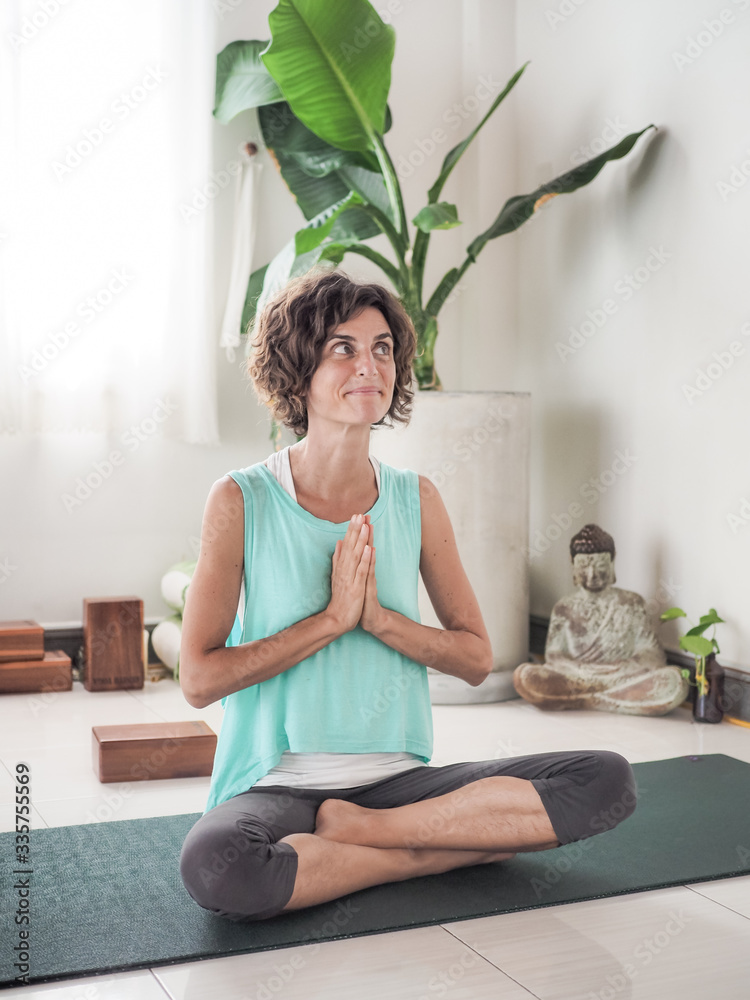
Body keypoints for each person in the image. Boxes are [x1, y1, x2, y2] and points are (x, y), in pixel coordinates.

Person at [178, 269, 637, 922]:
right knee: (216, 867)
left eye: (382, 348)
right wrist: (334, 620)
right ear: (297, 366)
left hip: (397, 786)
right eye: (344, 347)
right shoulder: (241, 499)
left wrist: (380, 621)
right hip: (281, 784)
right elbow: (198, 678)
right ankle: (435, 848)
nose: (370, 364)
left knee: (606, 779)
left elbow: (476, 658)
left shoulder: (415, 499)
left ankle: (368, 836)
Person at [513, 524, 689, 715]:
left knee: (674, 681)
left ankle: (583, 699)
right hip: (577, 678)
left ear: (612, 561)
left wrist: (619, 668)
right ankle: (613, 700)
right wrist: (581, 669)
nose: (592, 575)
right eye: (584, 567)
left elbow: (653, 654)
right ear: (573, 563)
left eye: (600, 566)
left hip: (620, 677)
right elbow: (554, 656)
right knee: (525, 676)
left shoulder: (631, 603)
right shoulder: (564, 607)